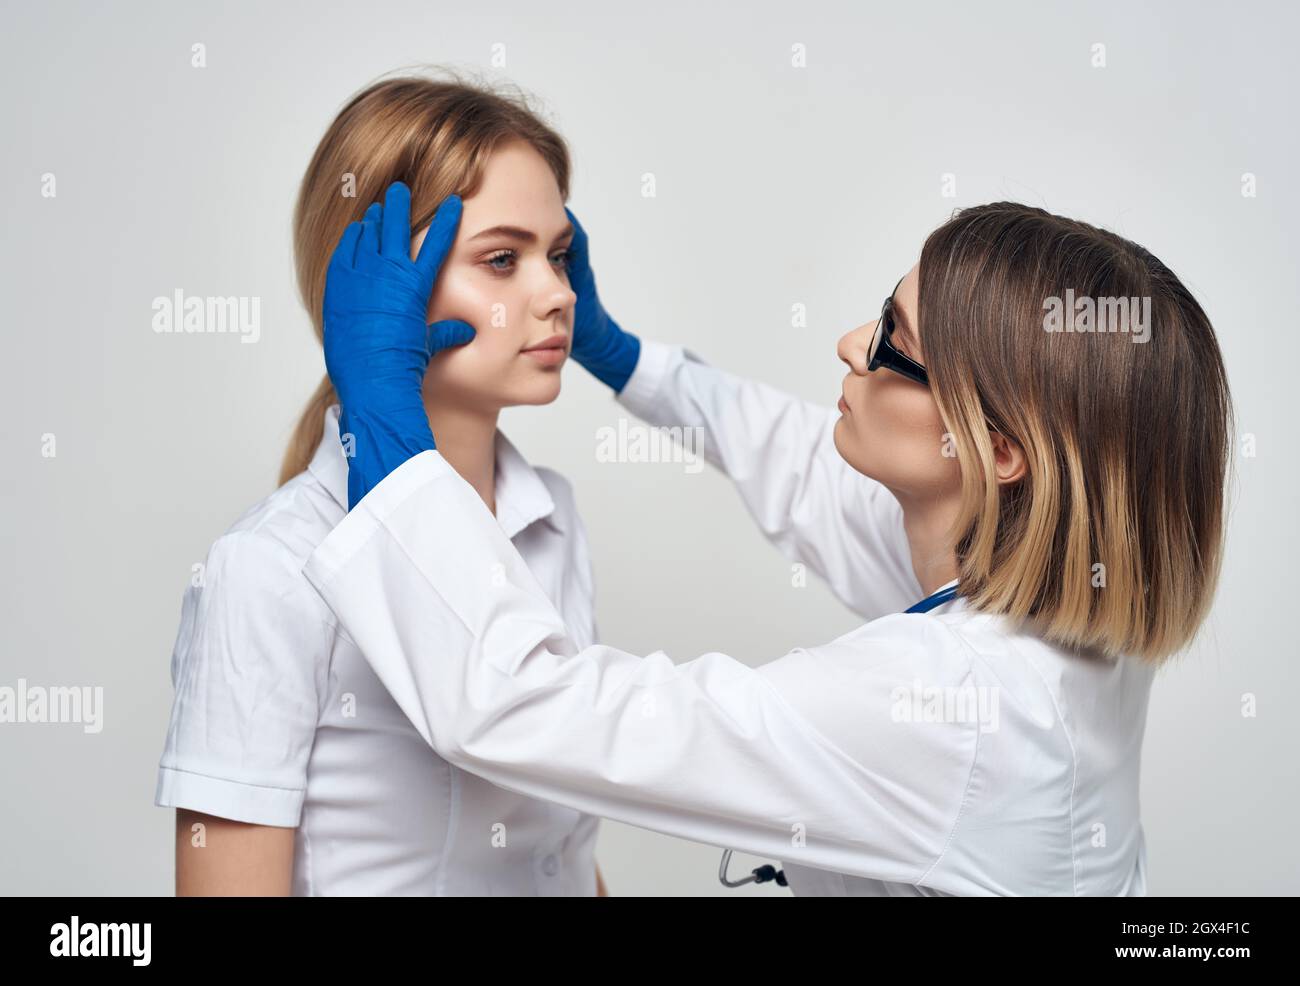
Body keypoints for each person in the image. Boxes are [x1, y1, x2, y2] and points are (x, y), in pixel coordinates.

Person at [304, 187, 1232, 895]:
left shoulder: (954, 711)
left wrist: (385, 425)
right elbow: (794, 463)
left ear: (996, 448)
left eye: (893, 343)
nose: (848, 343)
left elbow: (524, 707)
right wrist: (626, 362)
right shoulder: (1060, 602)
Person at [155, 76, 609, 896]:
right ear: (371, 285)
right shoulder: (267, 569)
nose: (559, 293)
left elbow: (560, 851)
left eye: (560, 253)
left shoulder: (553, 518)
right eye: (503, 259)